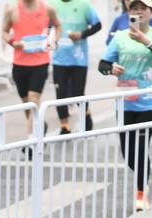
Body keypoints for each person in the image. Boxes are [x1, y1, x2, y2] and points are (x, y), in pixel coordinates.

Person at [99, 0, 152, 211]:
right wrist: (113, 69)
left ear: (150, 12)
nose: (138, 12)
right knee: (128, 153)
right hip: (124, 102)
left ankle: (141, 193)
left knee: (139, 148)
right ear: (129, 13)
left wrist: (145, 40)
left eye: (143, 9)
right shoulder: (120, 37)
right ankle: (143, 176)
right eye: (134, 9)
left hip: (148, 103)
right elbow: (102, 65)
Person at [2, 0, 60, 142]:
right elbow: (4, 31)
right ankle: (39, 124)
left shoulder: (48, 9)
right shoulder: (13, 10)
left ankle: (31, 139)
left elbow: (58, 26)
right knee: (27, 103)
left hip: (40, 63)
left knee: (33, 99)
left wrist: (54, 40)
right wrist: (12, 42)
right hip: (20, 63)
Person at [50, 0, 101, 133]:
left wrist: (81, 35)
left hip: (79, 59)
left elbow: (97, 25)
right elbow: (47, 27)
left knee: (77, 93)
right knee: (60, 94)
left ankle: (86, 114)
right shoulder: (52, 5)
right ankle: (65, 126)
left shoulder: (84, 5)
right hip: (59, 59)